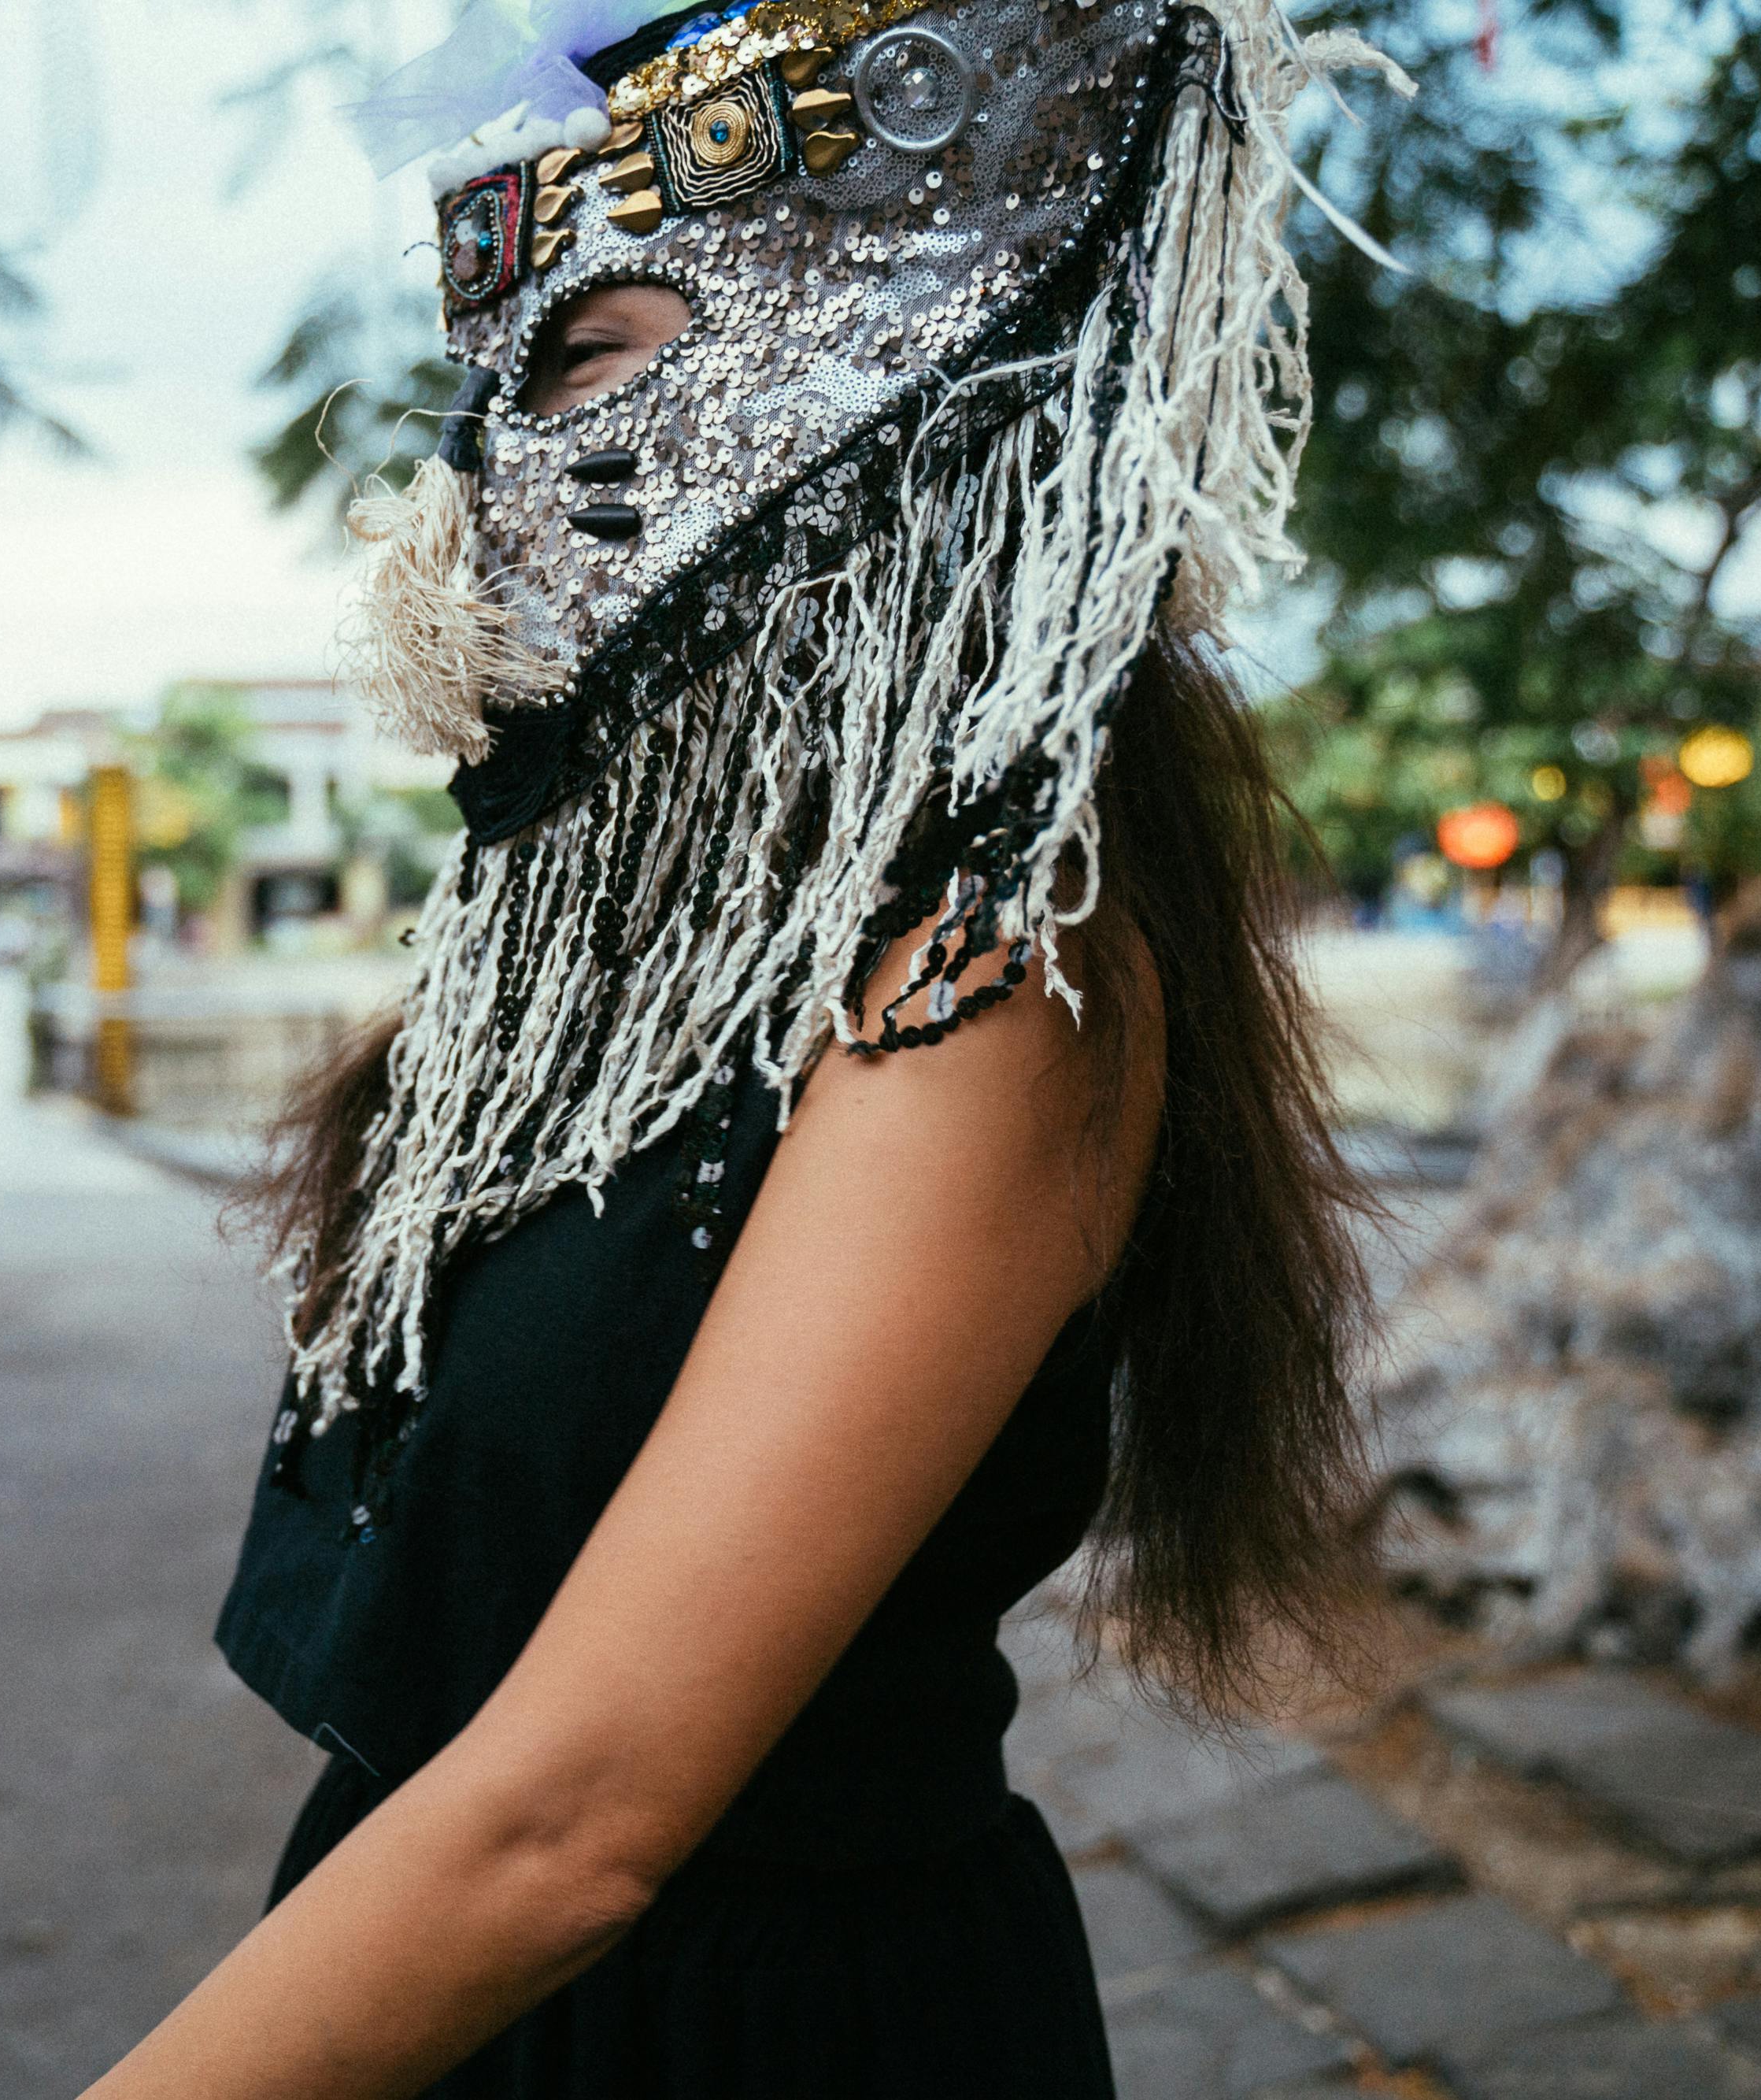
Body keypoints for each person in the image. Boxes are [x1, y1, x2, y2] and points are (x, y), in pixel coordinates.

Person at [93, 2, 1394, 2092]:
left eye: (607, 357)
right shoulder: (601, 945)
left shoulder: (996, 983)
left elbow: (572, 1821)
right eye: (513, 369)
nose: (512, 453)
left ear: (881, 373)